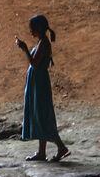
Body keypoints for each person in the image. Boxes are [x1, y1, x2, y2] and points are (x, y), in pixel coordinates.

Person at [15, 13, 69, 161]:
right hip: (37, 83)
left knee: (43, 115)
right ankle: (41, 152)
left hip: (40, 84)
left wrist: (25, 48)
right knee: (39, 114)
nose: (30, 31)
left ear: (38, 28)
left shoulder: (44, 43)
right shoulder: (41, 42)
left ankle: (61, 147)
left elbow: (34, 63)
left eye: (32, 28)